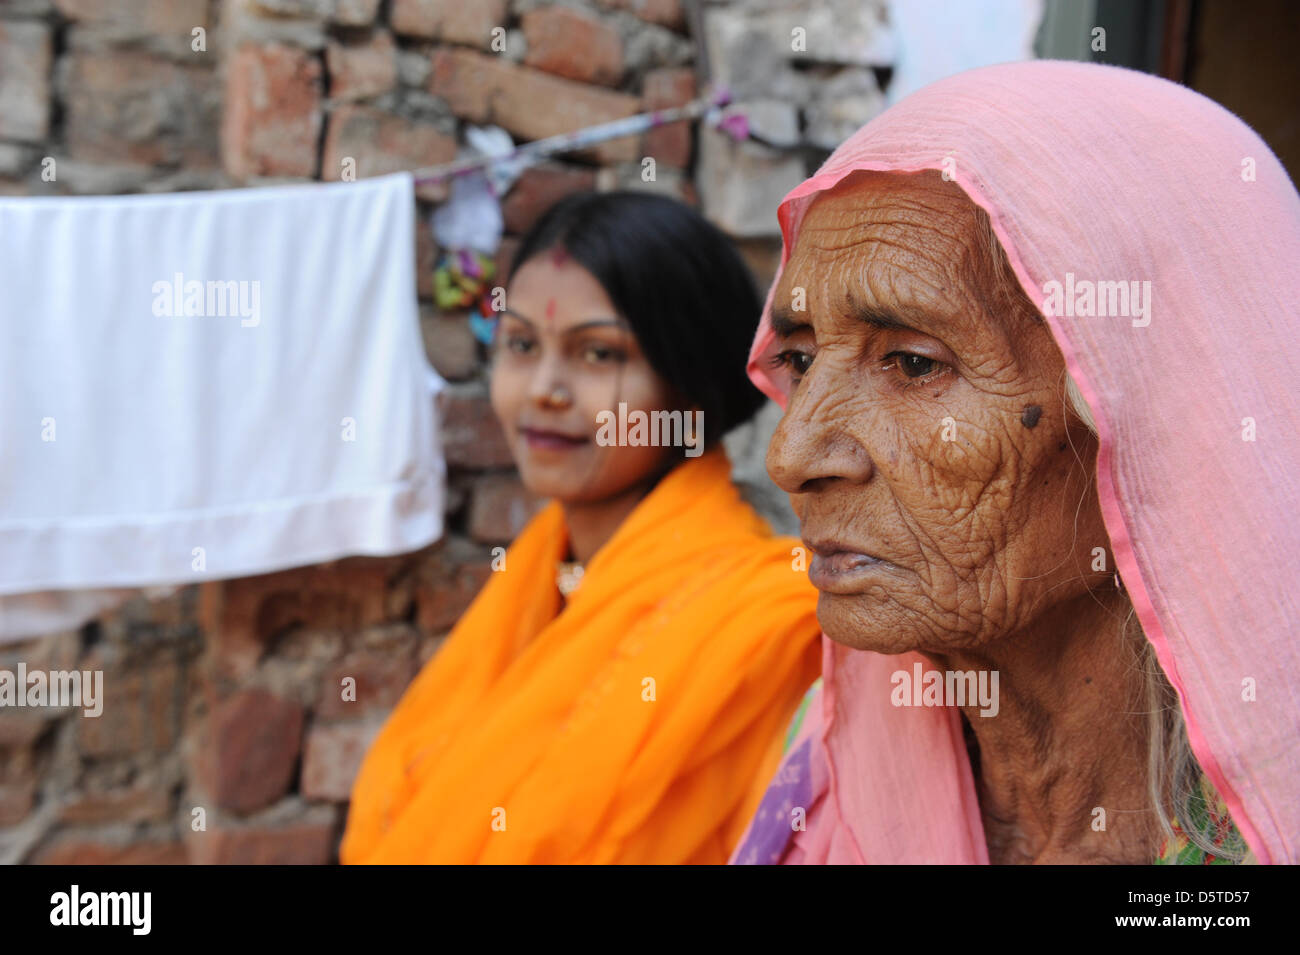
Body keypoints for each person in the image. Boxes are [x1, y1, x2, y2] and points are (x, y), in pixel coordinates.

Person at [730, 60, 1300, 865]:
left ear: (1161, 414)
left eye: (915, 364)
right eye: (799, 357)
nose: (792, 455)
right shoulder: (830, 759)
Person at [342, 191, 822, 864]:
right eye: (521, 344)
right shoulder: (538, 586)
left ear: (687, 383)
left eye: (597, 354)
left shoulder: (768, 627)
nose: (544, 387)